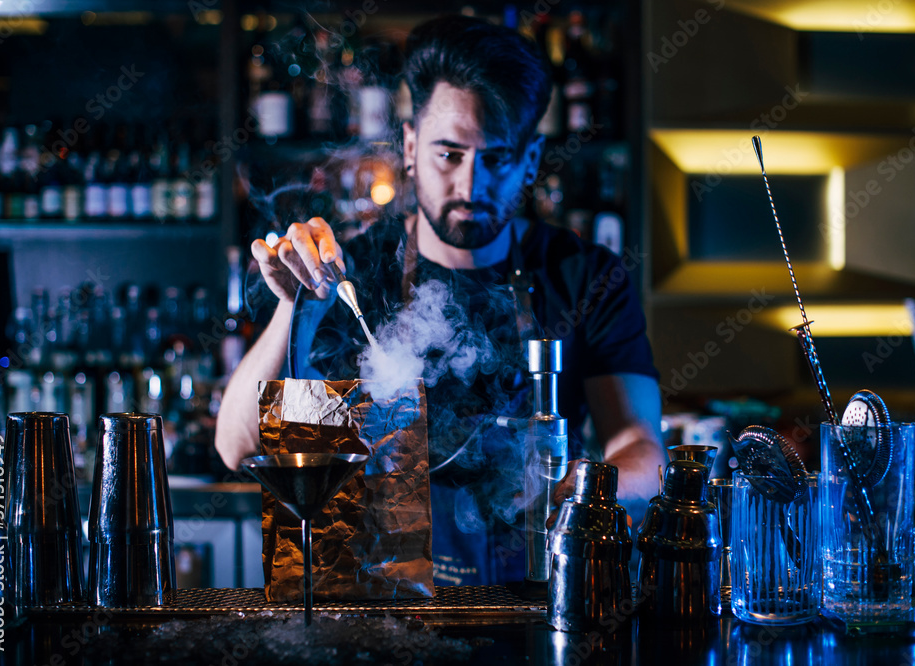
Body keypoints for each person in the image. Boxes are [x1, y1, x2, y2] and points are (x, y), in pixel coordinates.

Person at [216, 15, 666, 586]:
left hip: (538, 600)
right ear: (409, 146)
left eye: (497, 159)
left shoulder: (582, 276)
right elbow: (236, 444)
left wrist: (570, 493)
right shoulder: (355, 277)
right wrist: (296, 307)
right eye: (448, 155)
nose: (471, 187)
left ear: (531, 161)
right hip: (386, 610)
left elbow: (643, 451)